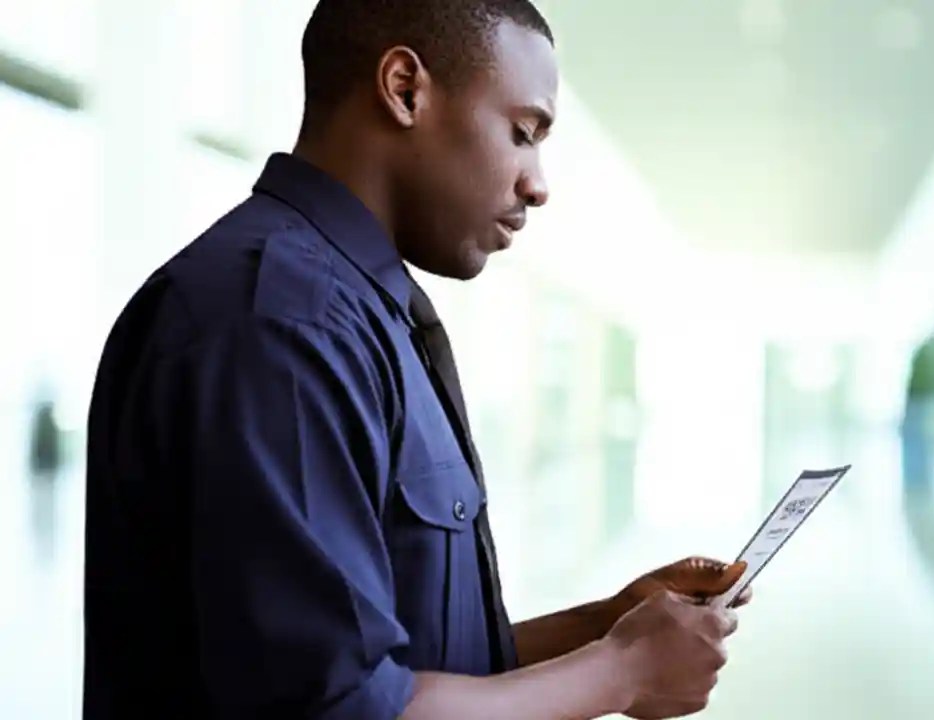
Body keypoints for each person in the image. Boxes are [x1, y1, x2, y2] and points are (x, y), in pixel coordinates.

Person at [82, 1, 751, 718]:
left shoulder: (359, 311)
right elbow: (344, 709)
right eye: (523, 133)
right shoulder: (282, 323)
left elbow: (404, 670)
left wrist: (607, 628)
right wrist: (622, 672)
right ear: (404, 89)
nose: (538, 184)